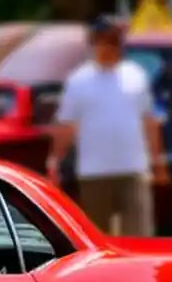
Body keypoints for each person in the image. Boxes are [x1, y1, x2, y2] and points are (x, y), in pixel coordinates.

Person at [54, 18, 168, 236]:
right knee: (98, 239)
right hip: (94, 173)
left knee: (140, 237)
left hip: (134, 171)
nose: (108, 47)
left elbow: (149, 122)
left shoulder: (135, 76)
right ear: (94, 44)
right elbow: (66, 124)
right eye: (103, 42)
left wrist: (158, 162)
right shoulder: (79, 81)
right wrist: (56, 161)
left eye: (113, 42)